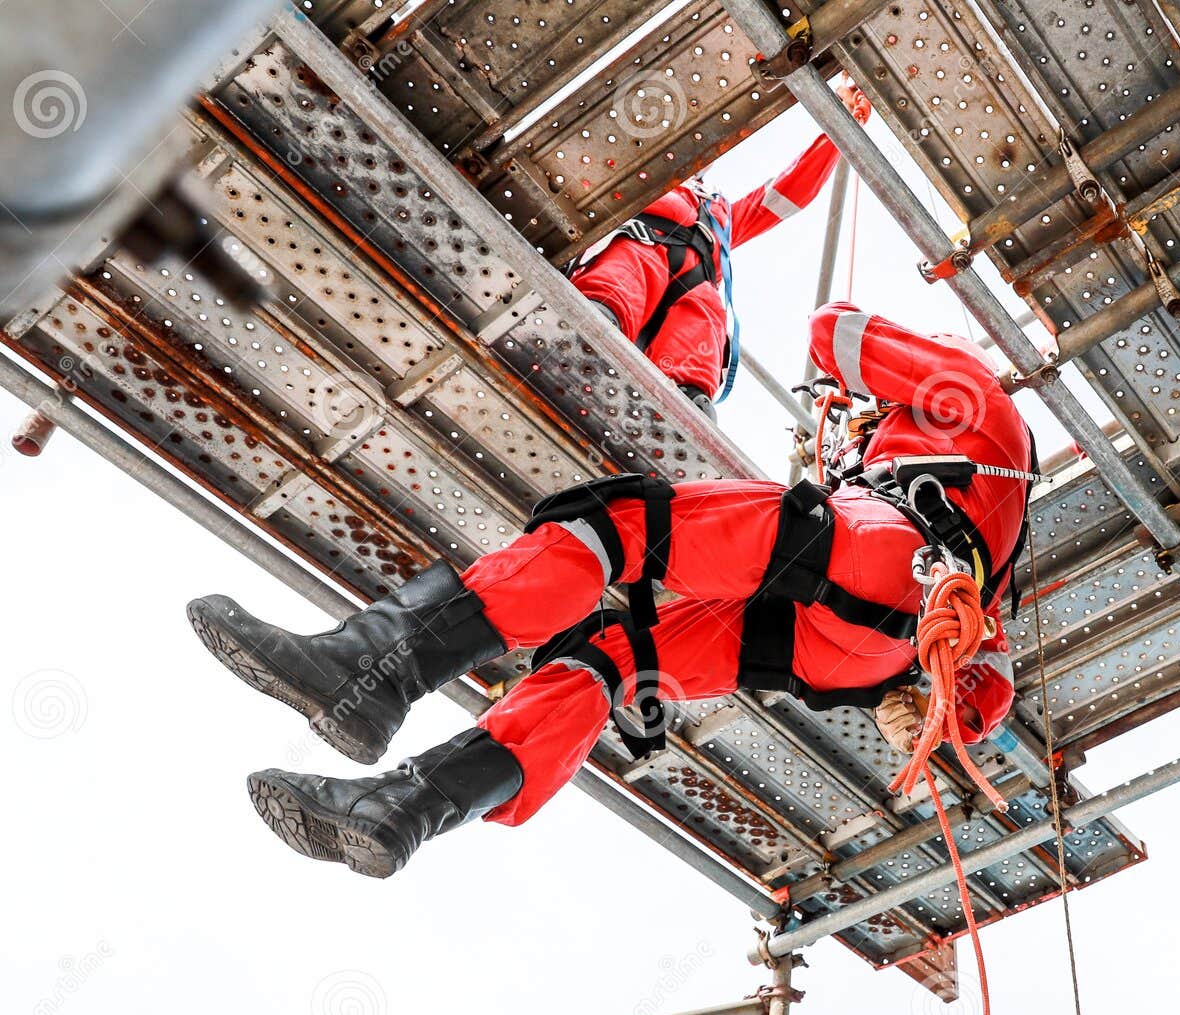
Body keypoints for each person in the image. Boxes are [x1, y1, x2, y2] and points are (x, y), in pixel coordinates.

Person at [187, 302, 1035, 877]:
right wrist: (927, 704)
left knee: (618, 528)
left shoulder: (981, 407)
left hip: (874, 551)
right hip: (863, 648)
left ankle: (369, 667)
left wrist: (860, 387)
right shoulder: (993, 538)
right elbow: (980, 690)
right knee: (614, 654)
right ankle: (405, 807)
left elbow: (833, 330)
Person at [569, 84, 872, 417]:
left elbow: (790, 189)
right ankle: (594, 322)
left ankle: (689, 398)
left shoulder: (720, 214)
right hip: (642, 246)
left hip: (696, 282)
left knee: (705, 311)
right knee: (628, 272)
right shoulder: (637, 176)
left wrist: (839, 122)